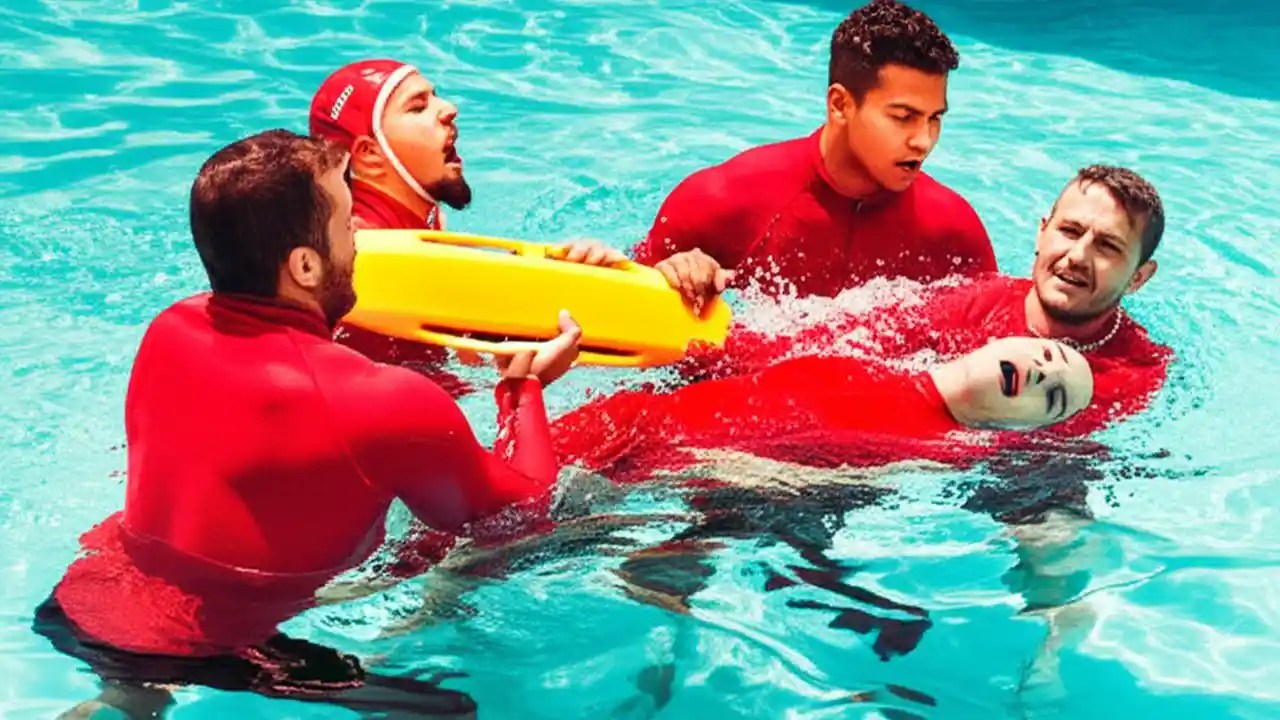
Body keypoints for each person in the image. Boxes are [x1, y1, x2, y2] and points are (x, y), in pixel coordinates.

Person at [34, 129, 582, 719]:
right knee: (450, 710)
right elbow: (521, 513)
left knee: (135, 685)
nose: (358, 243)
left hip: (81, 610)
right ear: (303, 263)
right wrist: (520, 390)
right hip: (221, 649)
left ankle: (125, 699)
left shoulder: (169, 329)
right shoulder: (380, 401)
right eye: (349, 226)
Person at [680, 164, 1171, 441]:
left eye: (1108, 247)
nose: (1077, 255)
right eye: (1069, 231)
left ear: (1140, 278)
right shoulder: (974, 301)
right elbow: (825, 341)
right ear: (1042, 233)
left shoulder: (1134, 370)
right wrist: (691, 332)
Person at [632, 0, 996, 311]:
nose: (924, 140)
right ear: (840, 105)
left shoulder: (954, 232)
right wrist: (672, 279)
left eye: (935, 118)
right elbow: (617, 323)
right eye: (904, 117)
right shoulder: (721, 202)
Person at [309, 59, 624, 397]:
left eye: (436, 96)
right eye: (418, 107)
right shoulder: (364, 260)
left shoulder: (420, 225)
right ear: (370, 155)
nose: (449, 109)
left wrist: (577, 275)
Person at [553, 336, 1093, 483]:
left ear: (1025, 428)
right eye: (1047, 355)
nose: (1044, 373)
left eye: (1053, 398)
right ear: (1010, 339)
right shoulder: (875, 349)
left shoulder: (934, 455)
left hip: (630, 478)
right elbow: (711, 350)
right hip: (615, 419)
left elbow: (789, 480)